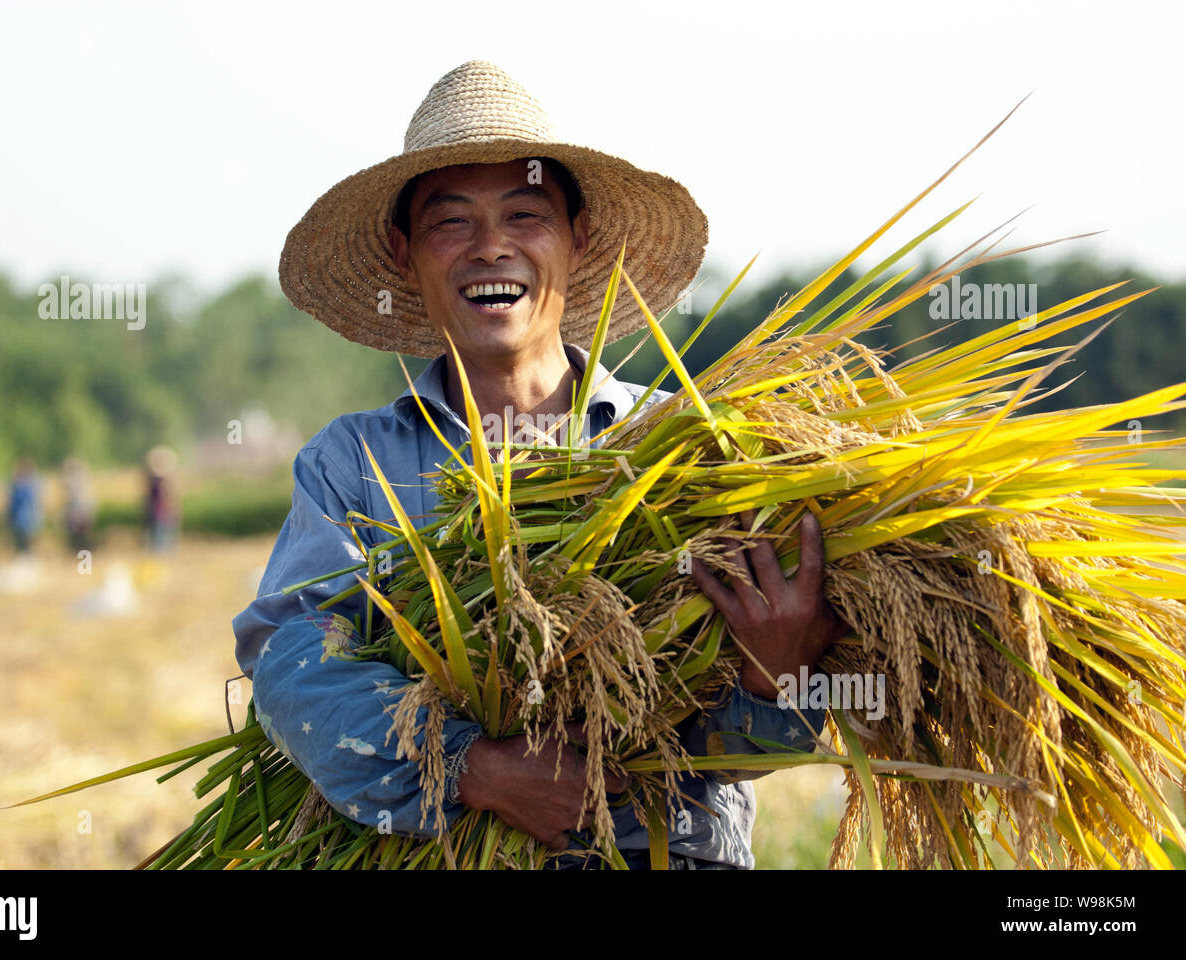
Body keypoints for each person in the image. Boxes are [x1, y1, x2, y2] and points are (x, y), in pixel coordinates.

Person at [233, 61, 848, 869]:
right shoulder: (354, 466)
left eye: (525, 212)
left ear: (578, 237)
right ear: (404, 251)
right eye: (451, 222)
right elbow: (292, 661)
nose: (491, 246)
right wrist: (474, 771)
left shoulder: (690, 448)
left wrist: (776, 678)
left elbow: (740, 754)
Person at [143, 446, 181, 553]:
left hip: (163, 516)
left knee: (163, 544)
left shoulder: (162, 482)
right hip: (158, 516)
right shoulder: (155, 482)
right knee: (159, 544)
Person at [60, 457, 96, 555]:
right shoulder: (83, 476)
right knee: (82, 533)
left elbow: (72, 496)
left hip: (78, 511)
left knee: (79, 533)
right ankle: (83, 551)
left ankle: (81, 551)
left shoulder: (73, 478)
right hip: (82, 510)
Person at [7, 457, 42, 554]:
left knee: (28, 536)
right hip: (20, 516)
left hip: (28, 516)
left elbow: (35, 500)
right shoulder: (15, 484)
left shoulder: (32, 483)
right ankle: (22, 552)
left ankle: (28, 552)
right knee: (20, 536)